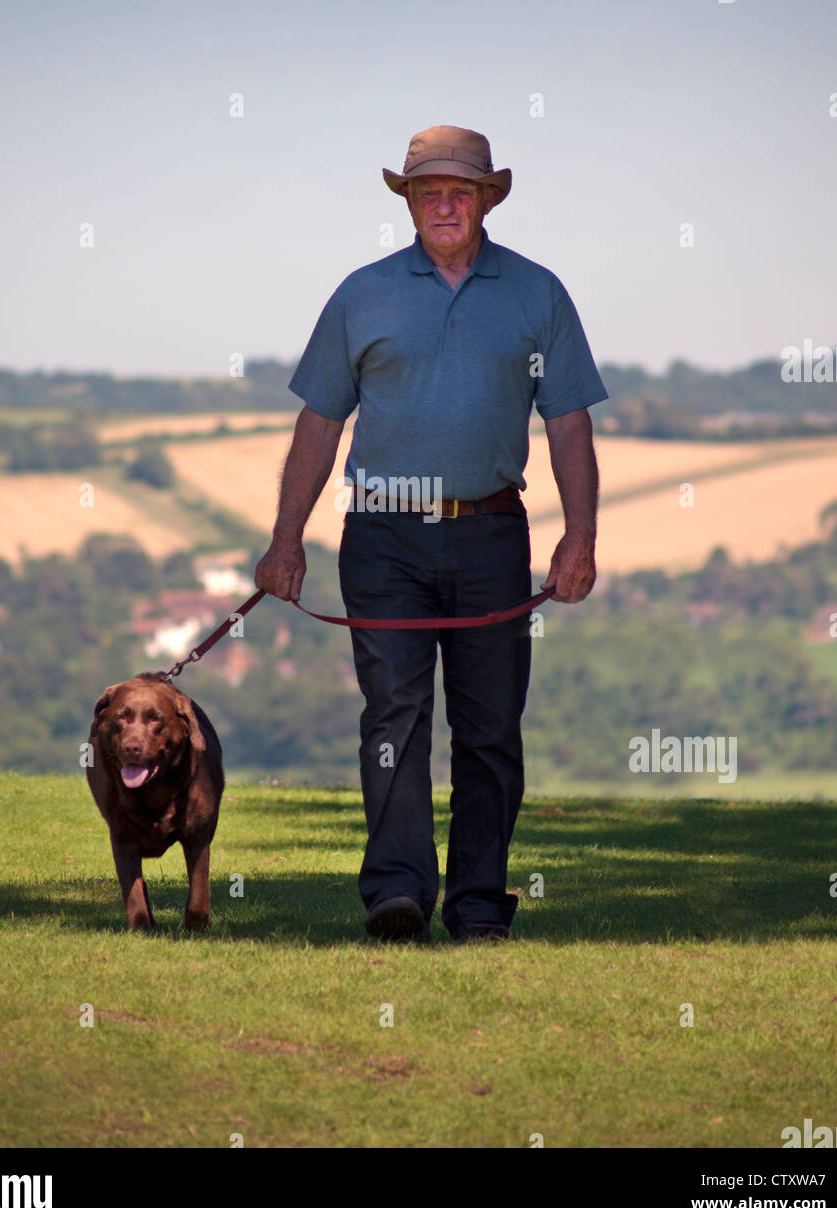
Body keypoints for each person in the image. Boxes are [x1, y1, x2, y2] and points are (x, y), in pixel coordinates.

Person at [254, 125, 607, 944]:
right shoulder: (361, 294)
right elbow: (317, 423)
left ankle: (479, 905)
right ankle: (396, 894)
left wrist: (578, 538)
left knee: (488, 728)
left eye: (459, 190)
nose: (443, 204)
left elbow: (568, 425)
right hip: (381, 537)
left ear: (486, 199)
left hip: (490, 533)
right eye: (427, 192)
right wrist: (284, 540)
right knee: (394, 717)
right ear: (407, 202)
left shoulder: (537, 293)